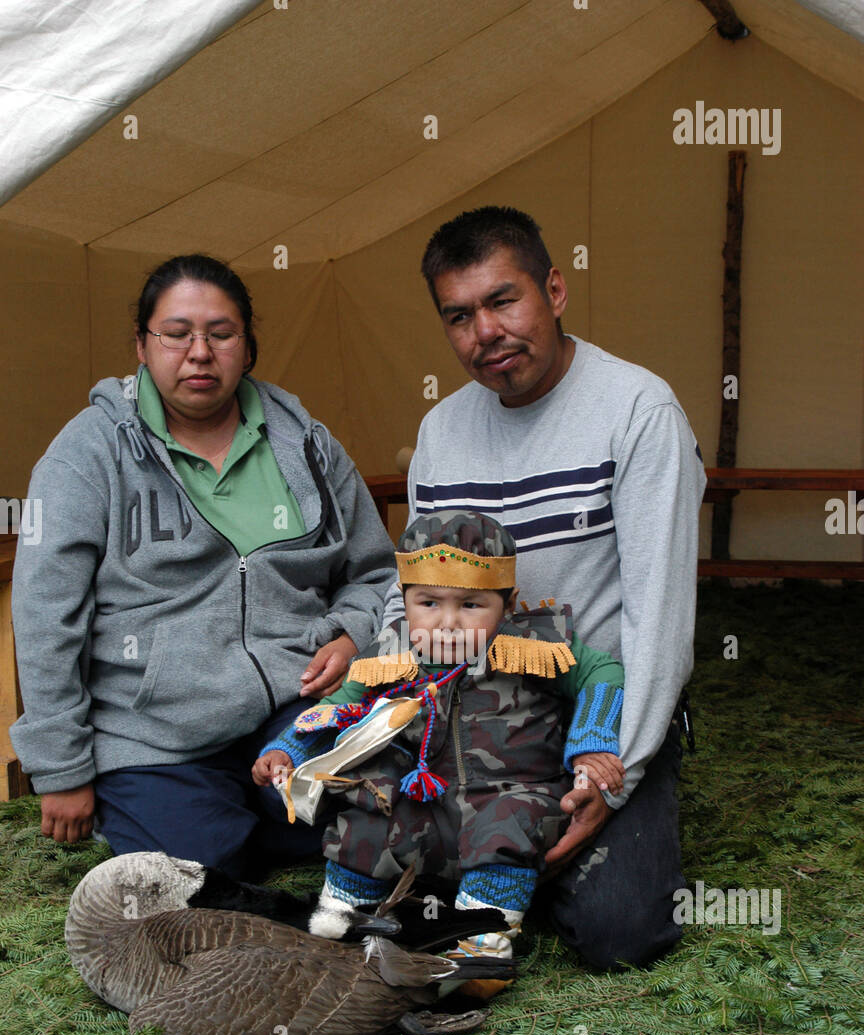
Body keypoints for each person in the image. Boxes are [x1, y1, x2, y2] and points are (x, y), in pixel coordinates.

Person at [380, 206, 707, 970]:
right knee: (377, 860)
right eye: (459, 316)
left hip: (598, 706)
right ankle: (508, 859)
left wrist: (615, 783)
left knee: (618, 933)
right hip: (478, 715)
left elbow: (660, 614)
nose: (484, 333)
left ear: (554, 290)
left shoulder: (637, 409)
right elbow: (423, 598)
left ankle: (532, 855)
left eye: (503, 300)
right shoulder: (442, 431)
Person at [11, 253, 395, 878]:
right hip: (152, 736)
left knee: (383, 811)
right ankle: (223, 819)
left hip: (290, 707)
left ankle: (263, 811)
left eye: (221, 334)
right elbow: (45, 614)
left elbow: (376, 571)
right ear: (141, 345)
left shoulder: (305, 444)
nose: (199, 352)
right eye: (176, 333)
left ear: (247, 347)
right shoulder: (87, 453)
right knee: (206, 867)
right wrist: (61, 768)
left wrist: (353, 632)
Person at [252, 511, 625, 951]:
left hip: (506, 795)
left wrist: (589, 744)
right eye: (429, 603)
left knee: (508, 828)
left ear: (507, 604)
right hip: (417, 798)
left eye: (471, 605)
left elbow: (603, 671)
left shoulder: (534, 647)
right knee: (365, 820)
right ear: (405, 600)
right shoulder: (389, 652)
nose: (448, 622)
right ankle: (343, 929)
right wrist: (289, 749)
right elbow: (339, 709)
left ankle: (479, 942)